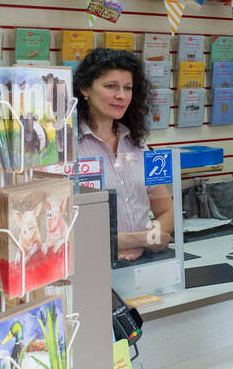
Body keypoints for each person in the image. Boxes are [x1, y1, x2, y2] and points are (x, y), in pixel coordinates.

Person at [74, 48, 175, 262]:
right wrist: (139, 239)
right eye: (111, 86)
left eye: (127, 88)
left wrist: (147, 238)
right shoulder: (68, 148)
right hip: (92, 266)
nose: (121, 95)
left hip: (143, 262)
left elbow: (167, 210)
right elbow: (67, 230)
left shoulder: (138, 144)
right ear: (85, 89)